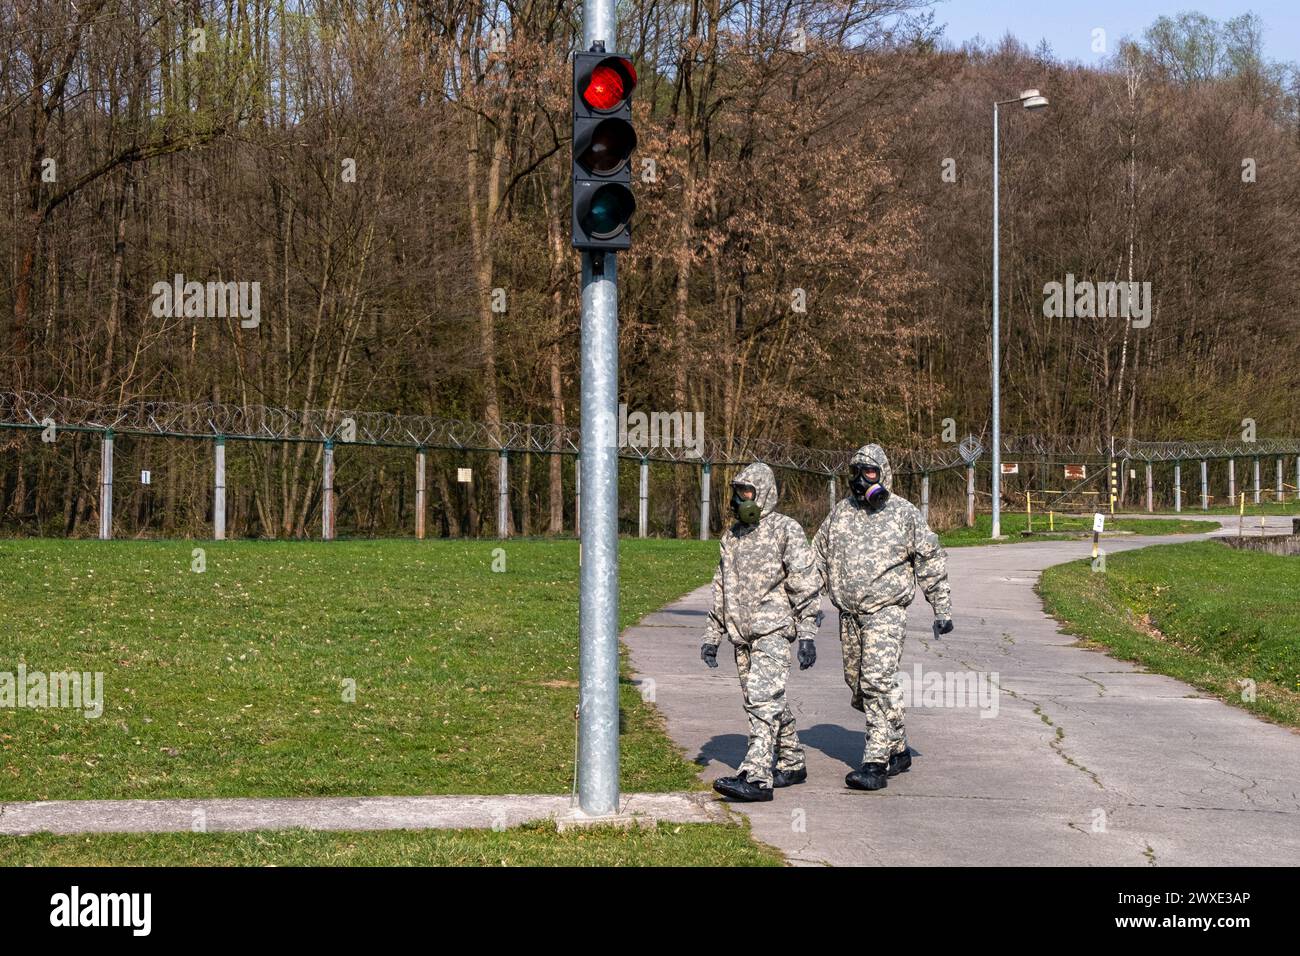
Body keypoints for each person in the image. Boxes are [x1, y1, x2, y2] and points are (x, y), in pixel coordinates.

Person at [813, 443, 953, 792]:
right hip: (849, 615)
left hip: (886, 612)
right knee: (859, 686)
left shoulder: (904, 514)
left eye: (870, 472)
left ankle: (875, 762)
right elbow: (813, 561)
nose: (862, 480)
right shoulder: (840, 514)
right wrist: (806, 606)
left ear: (883, 474)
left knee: (876, 680)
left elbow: (930, 560)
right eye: (857, 473)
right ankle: (898, 745)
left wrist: (942, 608)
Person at [701, 462, 821, 802]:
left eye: (749, 493)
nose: (743, 500)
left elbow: (805, 584)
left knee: (761, 699)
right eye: (738, 493)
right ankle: (793, 760)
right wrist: (713, 635)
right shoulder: (731, 537)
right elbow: (721, 588)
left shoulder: (786, 530)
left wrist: (808, 631)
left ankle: (755, 777)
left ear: (764, 493)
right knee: (767, 702)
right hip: (741, 634)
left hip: (773, 629)